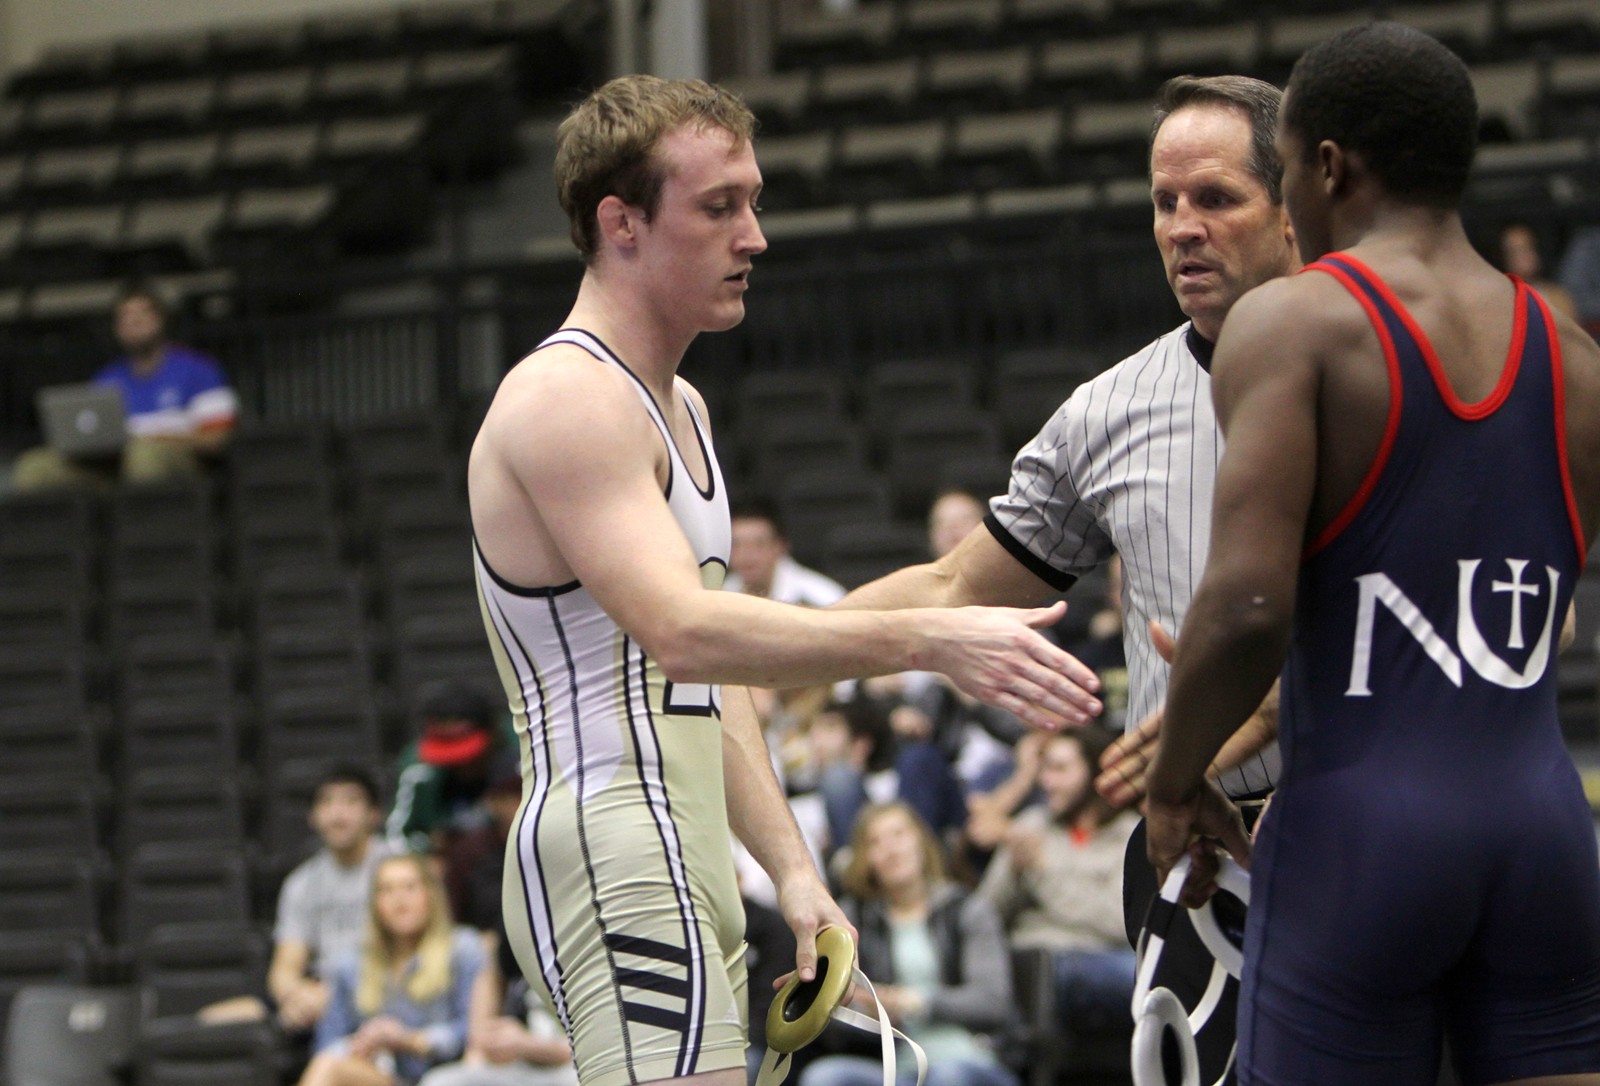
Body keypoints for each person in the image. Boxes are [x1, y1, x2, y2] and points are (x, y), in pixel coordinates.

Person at [465, 75, 1097, 1086]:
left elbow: (706, 681)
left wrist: (794, 869)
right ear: (621, 223)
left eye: (753, 202)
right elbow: (685, 634)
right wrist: (926, 639)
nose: (754, 237)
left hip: (686, 845)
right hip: (612, 840)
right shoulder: (565, 399)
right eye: (719, 207)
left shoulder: (683, 408)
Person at [1144, 23, 1600, 1084]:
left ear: (1326, 166)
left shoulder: (1293, 324)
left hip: (1361, 838)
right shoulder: (1576, 359)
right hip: (1544, 829)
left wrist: (1175, 783)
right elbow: (1530, 594)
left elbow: (1250, 606)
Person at [837, 73, 1299, 1083]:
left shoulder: (1393, 371)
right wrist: (762, 647)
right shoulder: (1111, 410)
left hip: (1360, 819)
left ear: (1293, 205)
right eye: (1164, 202)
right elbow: (955, 587)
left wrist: (1275, 705)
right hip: (1191, 849)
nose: (1182, 227)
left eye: (1215, 198)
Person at [797, 802, 1019, 1086]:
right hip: (895, 1063)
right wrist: (875, 1013)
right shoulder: (853, 921)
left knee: (946, 1078)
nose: (891, 849)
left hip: (970, 1056)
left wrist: (915, 1002)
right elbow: (831, 1015)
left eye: (899, 834)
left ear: (921, 843)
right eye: (876, 842)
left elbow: (992, 1002)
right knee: (824, 1077)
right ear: (865, 859)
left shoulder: (967, 910)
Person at [200, 764, 397, 1031]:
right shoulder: (302, 883)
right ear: (312, 817)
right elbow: (285, 968)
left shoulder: (398, 868)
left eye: (351, 801)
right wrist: (298, 998)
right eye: (327, 802)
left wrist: (339, 994)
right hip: (318, 992)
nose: (337, 814)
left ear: (374, 814)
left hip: (386, 989)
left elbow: (419, 952)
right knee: (211, 1021)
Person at [975, 729, 1138, 1032]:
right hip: (1042, 958)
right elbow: (984, 916)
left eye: (1060, 769)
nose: (1047, 781)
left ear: (1096, 774)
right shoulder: (1031, 826)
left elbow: (1120, 924)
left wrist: (1041, 872)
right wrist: (1014, 872)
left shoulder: (1128, 835)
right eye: (1045, 769)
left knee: (1152, 976)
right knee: (1137, 980)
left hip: (1105, 955)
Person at [12, 284, 237, 491]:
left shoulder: (199, 369)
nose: (133, 322)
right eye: (125, 318)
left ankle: (149, 522)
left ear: (162, 319)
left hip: (180, 465)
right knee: (34, 466)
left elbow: (217, 439)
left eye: (142, 314)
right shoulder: (108, 378)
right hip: (112, 465)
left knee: (143, 456)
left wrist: (154, 439)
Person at [302, 854, 486, 1086]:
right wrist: (363, 1041)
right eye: (387, 890)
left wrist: (411, 1040)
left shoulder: (462, 949)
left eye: (410, 887)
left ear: (430, 894)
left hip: (446, 1076)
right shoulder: (349, 964)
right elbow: (327, 1044)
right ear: (374, 903)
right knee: (328, 1065)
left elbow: (474, 1029)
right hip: (381, 1075)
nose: (399, 899)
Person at [388, 680, 518, 855]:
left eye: (470, 757)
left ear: (493, 736)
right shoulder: (419, 767)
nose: (461, 765)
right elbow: (396, 838)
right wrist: (429, 846)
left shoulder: (522, 751)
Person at [724, 496, 846, 606]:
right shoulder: (722, 593)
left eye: (758, 544)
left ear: (780, 546)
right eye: (736, 545)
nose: (746, 555)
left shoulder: (823, 598)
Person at [1496, 220, 1577, 320]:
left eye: (1527, 248)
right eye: (1513, 251)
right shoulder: (1498, 301)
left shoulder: (1557, 296)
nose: (1522, 257)